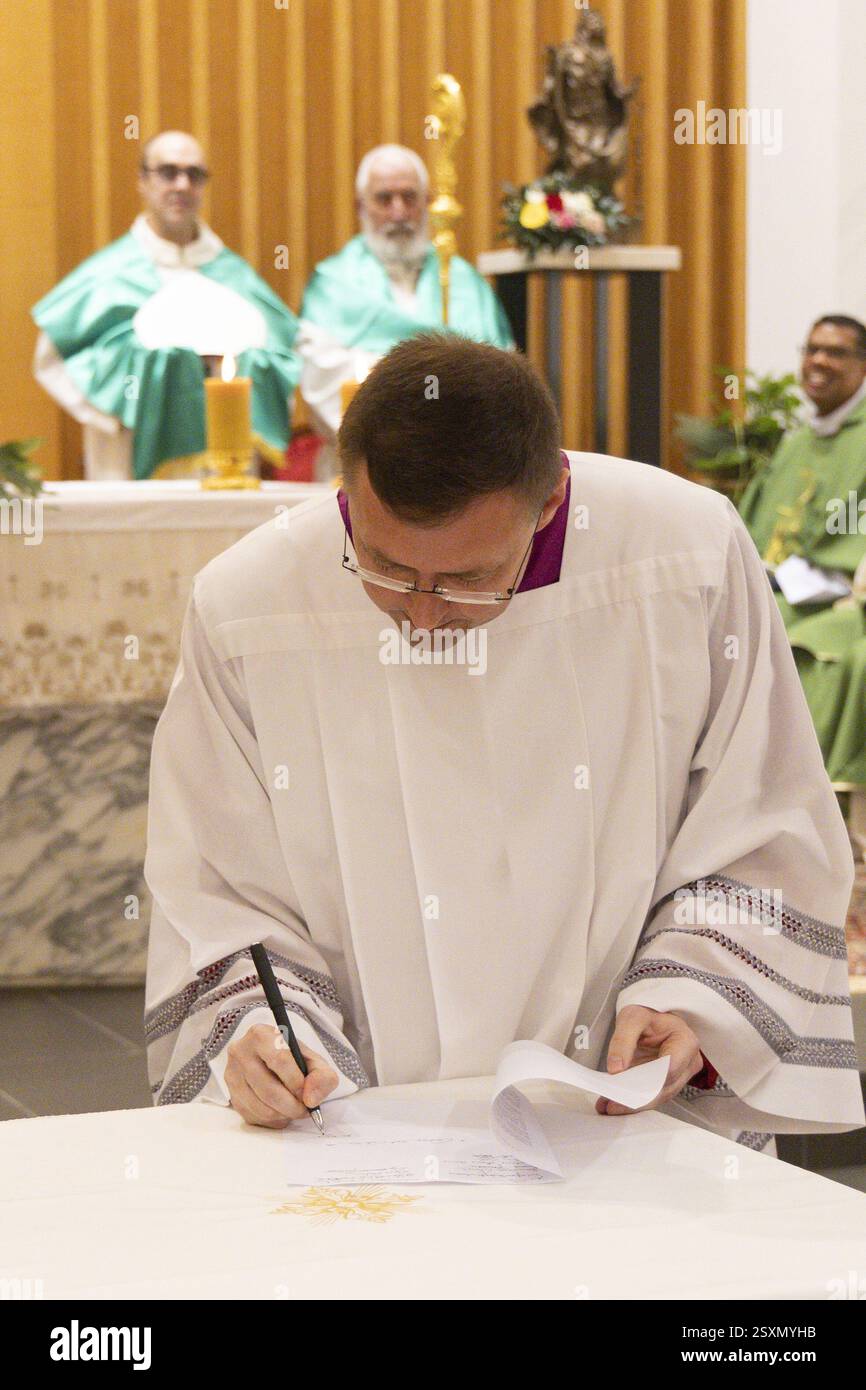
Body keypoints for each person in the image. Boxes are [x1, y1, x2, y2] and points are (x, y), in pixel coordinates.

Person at [144, 333, 863, 1154]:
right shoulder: (247, 603)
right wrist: (269, 1040)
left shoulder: (686, 555)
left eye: (465, 580)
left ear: (552, 499)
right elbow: (218, 885)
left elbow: (764, 820)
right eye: (382, 568)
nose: (421, 619)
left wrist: (692, 1000)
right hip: (353, 1126)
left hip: (630, 1125)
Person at [31, 130, 301, 480]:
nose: (182, 185)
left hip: (224, 465)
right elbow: (51, 359)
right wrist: (115, 413)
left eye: (194, 175)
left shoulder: (236, 277)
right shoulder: (109, 275)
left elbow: (282, 361)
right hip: (129, 453)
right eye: (168, 172)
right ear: (143, 181)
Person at [296, 144, 513, 474]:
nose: (398, 212)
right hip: (361, 466)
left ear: (427, 203)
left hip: (459, 468)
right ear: (361, 207)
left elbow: (501, 373)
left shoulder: (465, 283)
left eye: (409, 197)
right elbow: (323, 378)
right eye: (384, 199)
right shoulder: (333, 283)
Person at [738, 315, 866, 801]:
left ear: (862, 365)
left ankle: (790, 800)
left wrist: (778, 580)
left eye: (835, 352)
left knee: (781, 644)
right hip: (775, 587)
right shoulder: (796, 441)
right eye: (811, 349)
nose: (818, 361)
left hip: (834, 599)